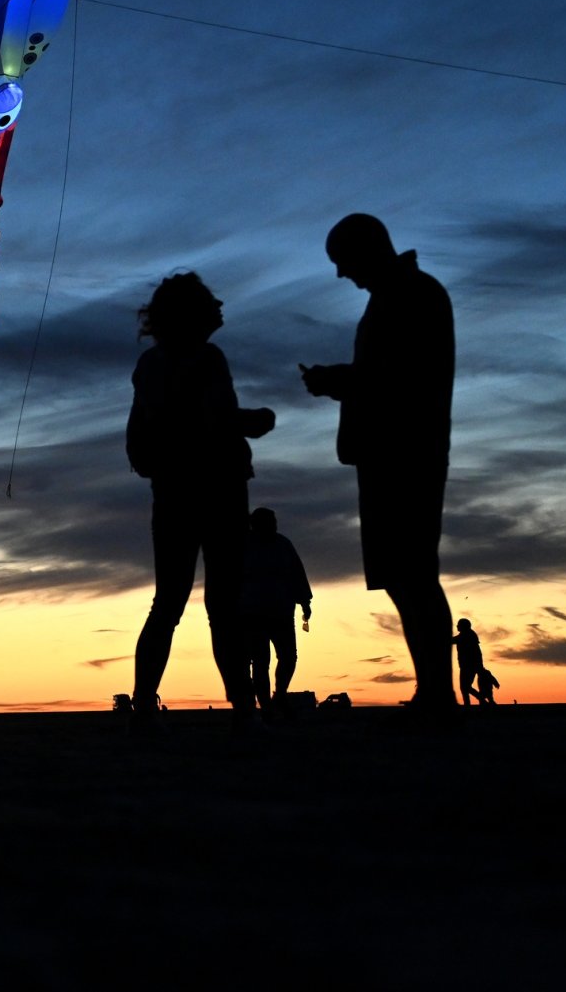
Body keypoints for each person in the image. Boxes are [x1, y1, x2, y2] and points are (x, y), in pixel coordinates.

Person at [302, 214, 456, 719]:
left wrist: (337, 381)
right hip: (389, 453)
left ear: (368, 250)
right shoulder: (397, 296)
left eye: (343, 262)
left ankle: (437, 691)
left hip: (407, 452)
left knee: (413, 573)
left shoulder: (413, 295)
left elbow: (400, 378)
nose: (342, 275)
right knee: (402, 575)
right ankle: (432, 688)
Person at [125, 272, 275, 730]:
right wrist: (259, 420)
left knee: (168, 601)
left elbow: (139, 433)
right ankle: (242, 702)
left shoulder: (149, 364)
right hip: (219, 488)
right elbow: (217, 418)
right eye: (211, 303)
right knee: (224, 604)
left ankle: (145, 699)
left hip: (171, 490)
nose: (220, 309)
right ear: (195, 314)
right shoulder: (208, 358)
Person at [240, 507, 314, 712]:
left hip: (281, 612)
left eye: (273, 521)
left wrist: (305, 602)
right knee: (260, 661)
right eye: (268, 521)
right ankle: (265, 704)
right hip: (253, 614)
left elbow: (297, 572)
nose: (273, 525)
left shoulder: (283, 544)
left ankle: (280, 694)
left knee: (289, 656)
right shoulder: (244, 546)